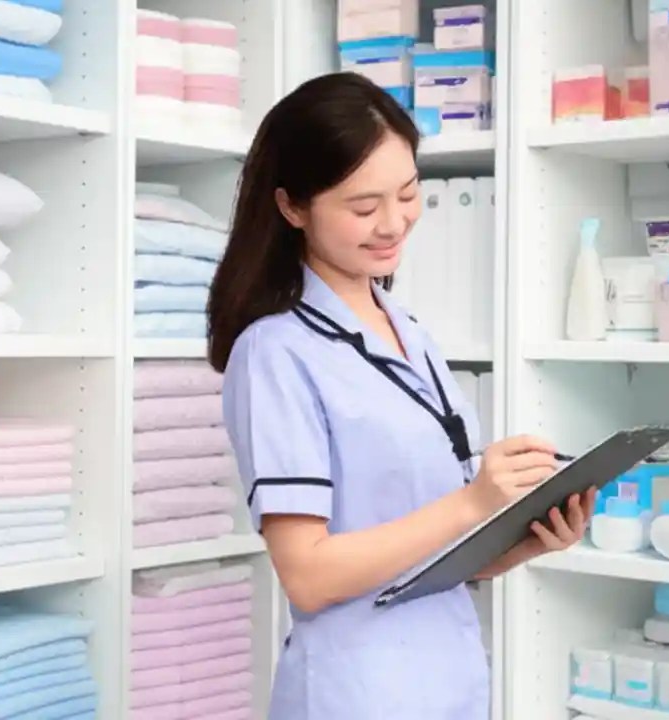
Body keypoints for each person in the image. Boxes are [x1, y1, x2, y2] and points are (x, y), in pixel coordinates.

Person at [205, 72, 597, 719]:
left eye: (409, 194)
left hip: (449, 681)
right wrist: (475, 500)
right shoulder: (274, 352)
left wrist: (519, 541)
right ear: (292, 206)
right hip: (355, 693)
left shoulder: (407, 330)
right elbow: (308, 573)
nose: (393, 223)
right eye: (363, 207)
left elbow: (428, 556)